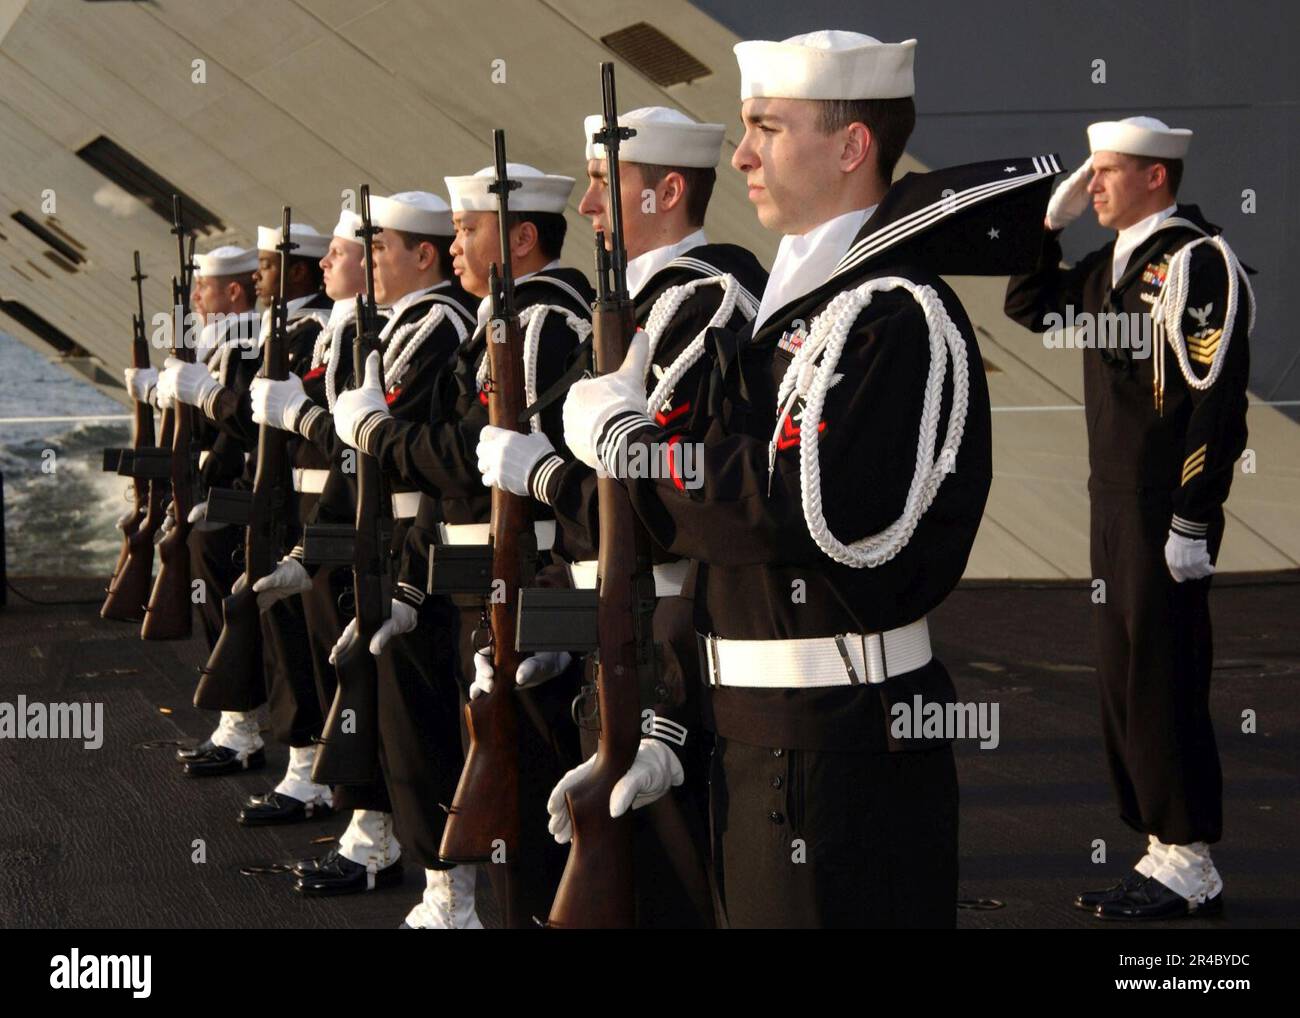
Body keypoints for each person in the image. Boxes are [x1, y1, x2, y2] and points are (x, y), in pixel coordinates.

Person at [559, 29, 1055, 927]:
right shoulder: (795, 313)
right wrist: (668, 709)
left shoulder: (892, 313)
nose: (742, 153)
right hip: (758, 735)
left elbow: (788, 503)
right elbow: (713, 544)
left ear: (851, 147)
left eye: (767, 128)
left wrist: (629, 446)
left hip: (840, 746)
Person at [474, 108, 767, 926]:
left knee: (673, 873)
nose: (589, 207)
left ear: (668, 191)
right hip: (609, 607)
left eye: (606, 183)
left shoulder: (704, 300)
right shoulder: (635, 301)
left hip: (671, 619)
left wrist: (547, 478)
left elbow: (657, 489)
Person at [1005, 116, 1253, 920]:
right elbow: (1030, 307)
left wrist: (1193, 515)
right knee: (1122, 680)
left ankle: (1191, 857)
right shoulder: (1110, 265)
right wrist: (1049, 224)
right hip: (1109, 499)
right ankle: (1161, 848)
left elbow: (1219, 400)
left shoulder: (1196, 264)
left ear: (1156, 176)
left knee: (1164, 674)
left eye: (1108, 171)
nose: (1095, 183)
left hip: (1160, 506)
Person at [330, 162, 591, 927]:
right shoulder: (494, 324)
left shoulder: (541, 322)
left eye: (468, 230)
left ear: (520, 237)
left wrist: (383, 434)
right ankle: (461, 896)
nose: (453, 246)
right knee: (477, 753)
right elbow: (456, 477)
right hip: (469, 568)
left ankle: (493, 905)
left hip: (522, 572)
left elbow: (473, 455)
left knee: (526, 769)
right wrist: (412, 585)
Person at [254, 191, 478, 917]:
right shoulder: (396, 324)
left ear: (422, 255)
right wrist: (309, 548)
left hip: (416, 548)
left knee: (419, 725)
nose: (366, 260)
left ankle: (450, 886)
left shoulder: (439, 325)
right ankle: (375, 835)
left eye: (380, 248)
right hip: (373, 537)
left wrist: (315, 419)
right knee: (375, 709)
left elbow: (396, 445)